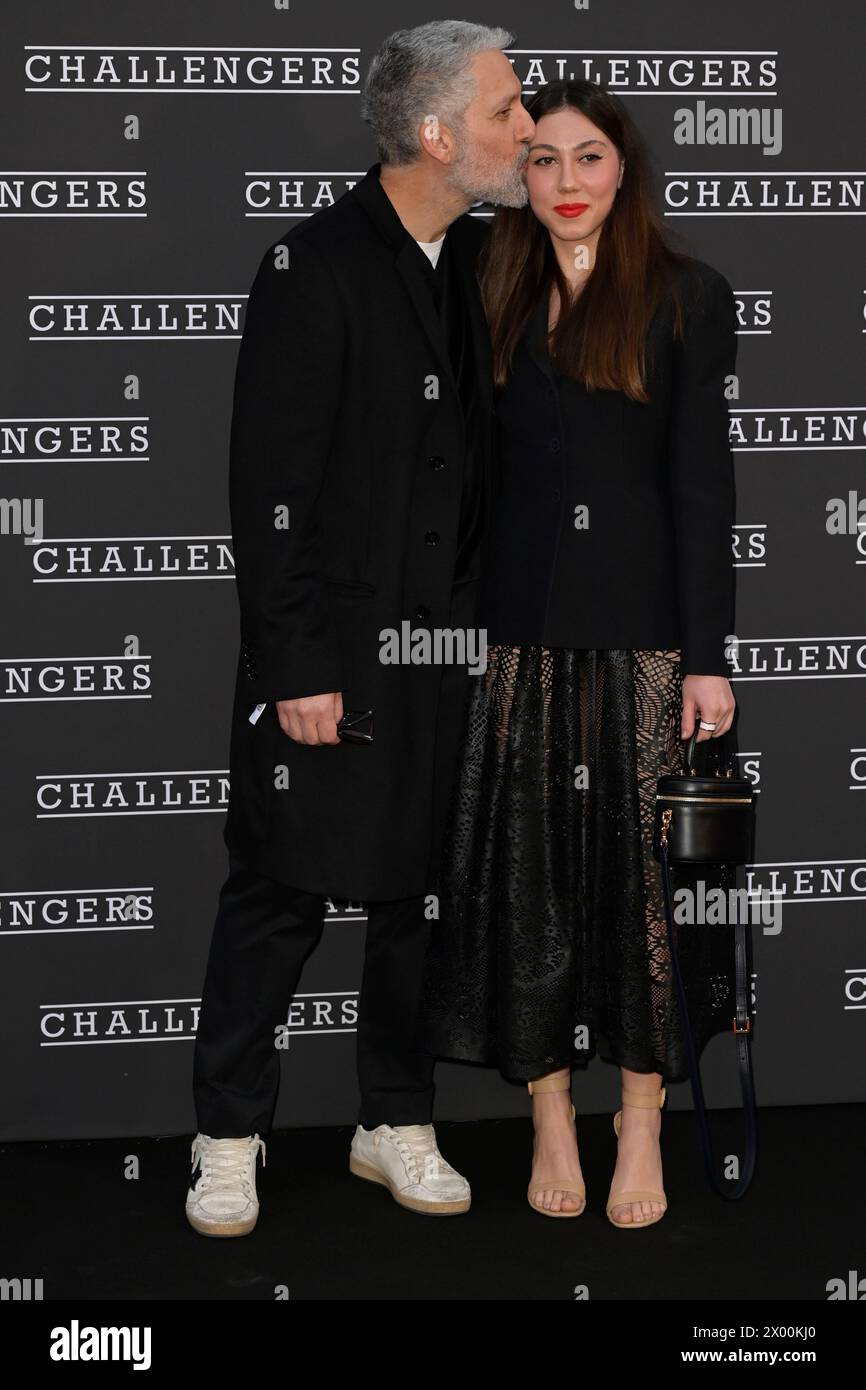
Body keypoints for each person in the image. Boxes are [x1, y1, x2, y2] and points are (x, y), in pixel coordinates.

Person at [185, 21, 536, 1236]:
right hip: (332, 662)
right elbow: (266, 488)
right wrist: (296, 665)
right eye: (503, 111)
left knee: (420, 902)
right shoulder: (312, 267)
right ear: (436, 133)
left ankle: (395, 1117)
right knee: (279, 895)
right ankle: (227, 1134)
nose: (525, 130)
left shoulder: (479, 265)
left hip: (447, 660)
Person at [416, 78, 740, 1228]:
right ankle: (550, 1108)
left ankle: (637, 1114)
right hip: (518, 636)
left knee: (645, 890)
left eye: (587, 158)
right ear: (518, 175)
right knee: (528, 882)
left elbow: (702, 487)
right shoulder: (479, 284)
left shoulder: (688, 295)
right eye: (541, 158)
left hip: (648, 635)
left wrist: (706, 653)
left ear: (625, 167)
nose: (564, 183)